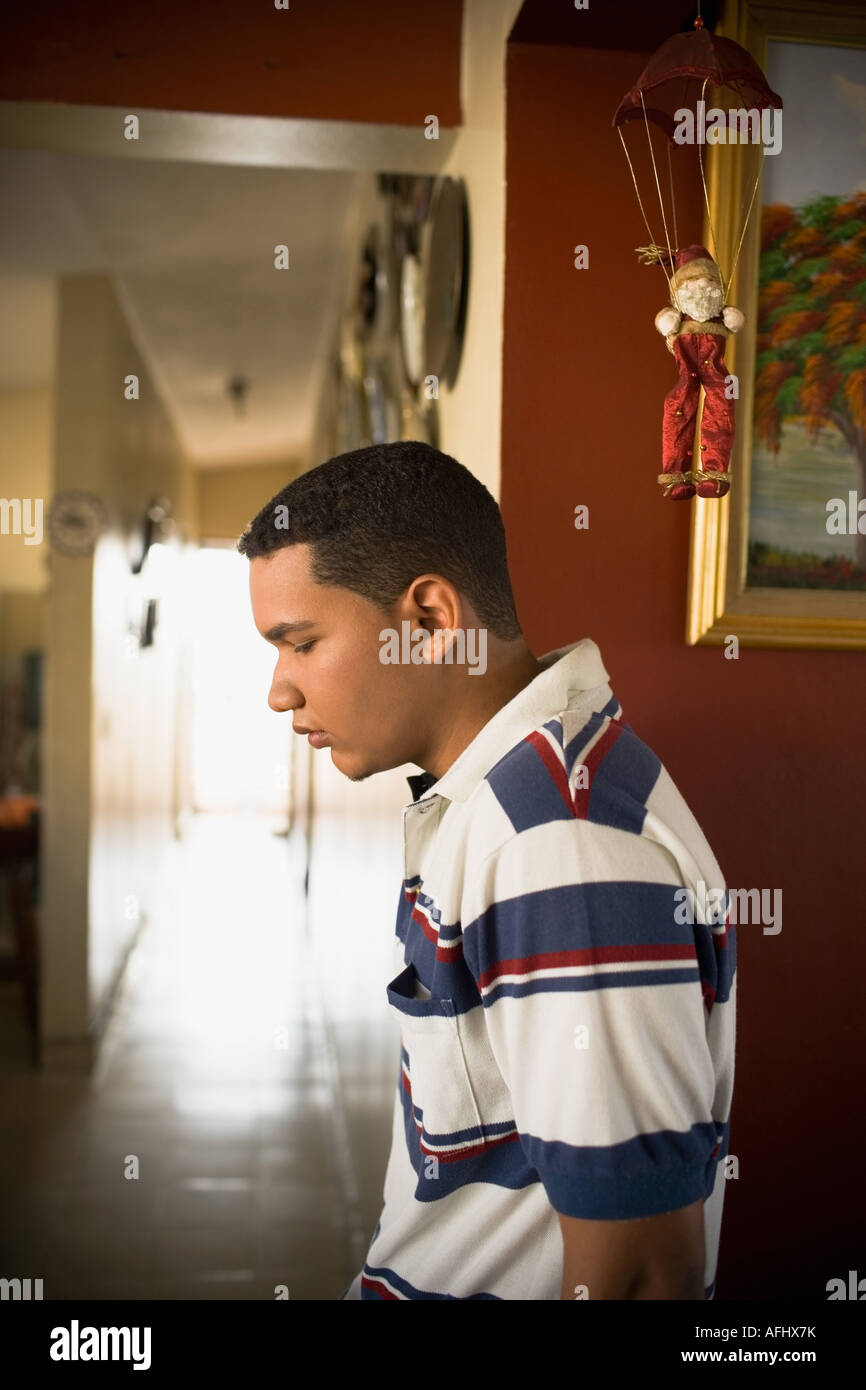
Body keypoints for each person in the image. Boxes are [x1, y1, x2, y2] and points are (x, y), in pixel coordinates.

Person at [237, 440, 736, 1301]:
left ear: (431, 620)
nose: (279, 691)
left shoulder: (557, 841)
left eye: (302, 643)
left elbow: (641, 1271)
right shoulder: (503, 806)